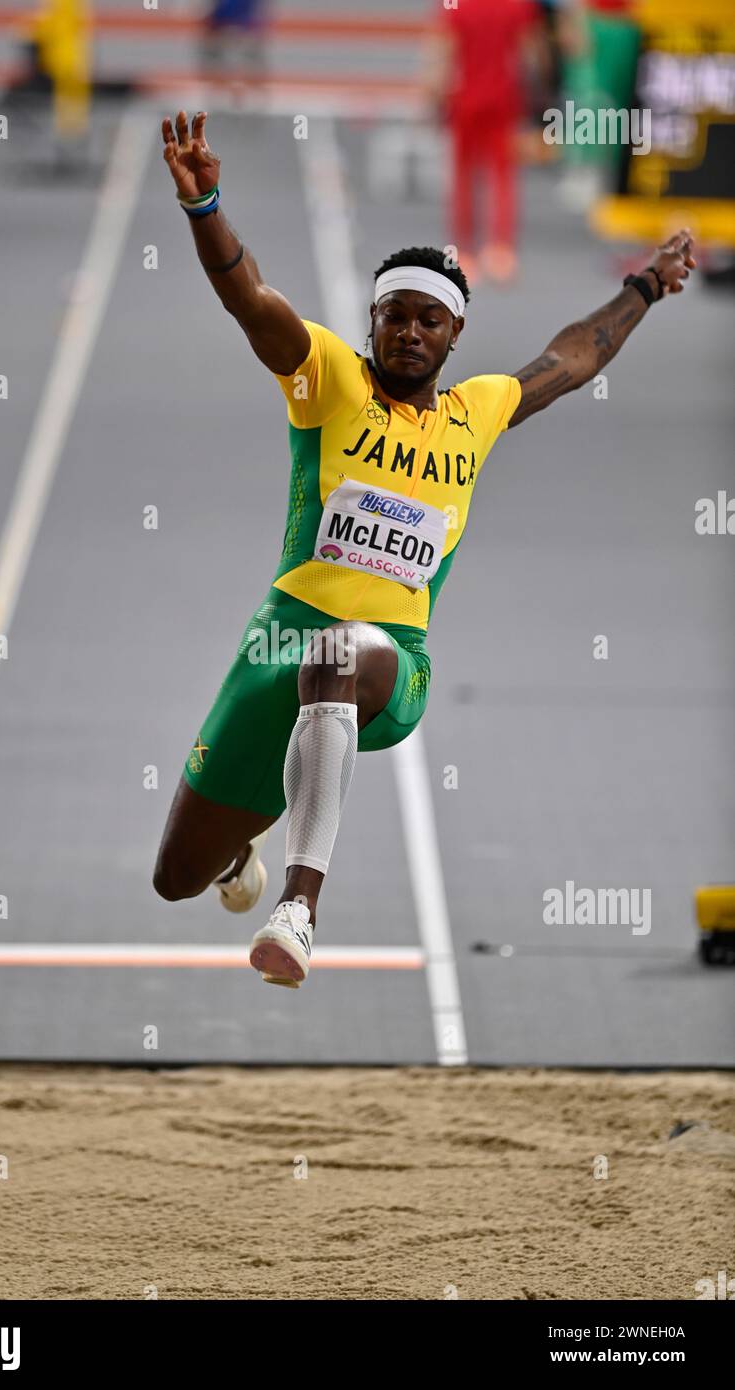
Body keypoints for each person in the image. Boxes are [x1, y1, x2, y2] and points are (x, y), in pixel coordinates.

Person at [153, 109, 695, 989]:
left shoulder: (475, 413)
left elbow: (573, 358)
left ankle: (299, 908)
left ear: (454, 335)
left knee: (339, 656)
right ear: (371, 321)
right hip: (276, 645)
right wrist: (204, 204)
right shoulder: (328, 379)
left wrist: (646, 284)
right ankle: (238, 852)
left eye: (429, 321)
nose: (409, 332)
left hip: (389, 662)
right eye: (394, 316)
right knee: (175, 877)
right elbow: (248, 297)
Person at [425, 0, 542, 282]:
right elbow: (531, 56)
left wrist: (432, 95)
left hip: (465, 98)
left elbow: (442, 52)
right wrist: (535, 96)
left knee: (463, 176)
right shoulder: (518, 5)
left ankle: (464, 250)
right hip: (504, 98)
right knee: (503, 175)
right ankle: (500, 249)